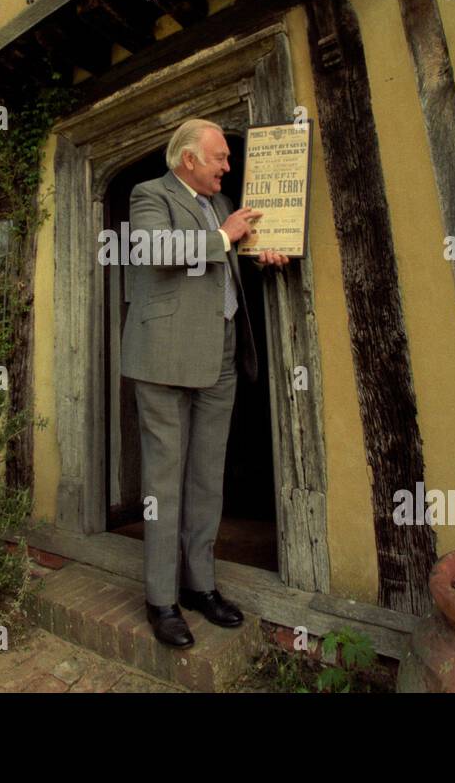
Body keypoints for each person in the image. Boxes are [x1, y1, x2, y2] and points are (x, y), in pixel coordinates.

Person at [120, 117, 289, 648]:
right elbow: (153, 251)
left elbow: (225, 257)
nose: (227, 165)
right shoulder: (148, 194)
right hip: (164, 358)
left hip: (220, 354)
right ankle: (161, 599)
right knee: (164, 483)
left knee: (206, 476)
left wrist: (263, 252)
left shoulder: (220, 205)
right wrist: (224, 235)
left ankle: (200, 586)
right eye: (219, 157)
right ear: (188, 159)